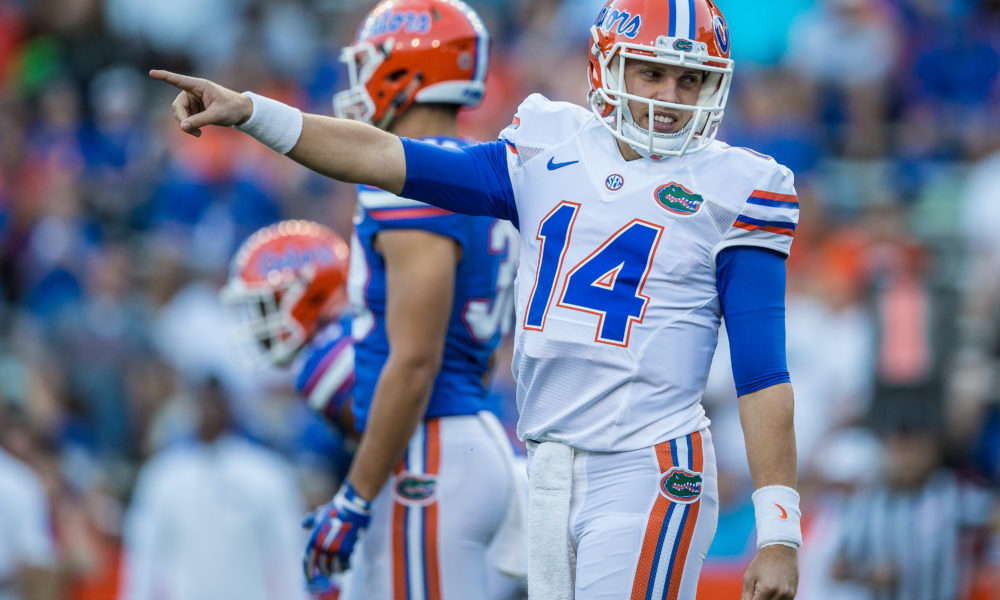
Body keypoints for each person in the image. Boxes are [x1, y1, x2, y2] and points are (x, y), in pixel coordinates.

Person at [149, 0, 801, 597]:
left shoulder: (740, 187)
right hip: (548, 462)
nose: (670, 97)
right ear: (607, 65)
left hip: (650, 462)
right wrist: (252, 112)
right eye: (652, 73)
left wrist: (779, 530)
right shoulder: (548, 145)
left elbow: (761, 372)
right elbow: (384, 155)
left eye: (689, 80)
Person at [222, 2, 526, 598]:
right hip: (456, 441)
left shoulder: (420, 186)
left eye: (370, 64)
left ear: (406, 69)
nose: (358, 82)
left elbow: (415, 361)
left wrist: (353, 499)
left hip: (432, 451)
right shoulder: (476, 168)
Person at [118, 377, 309, 600]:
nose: (209, 412)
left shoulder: (266, 474)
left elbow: (287, 555)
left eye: (215, 403)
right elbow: (144, 558)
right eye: (203, 403)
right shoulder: (164, 477)